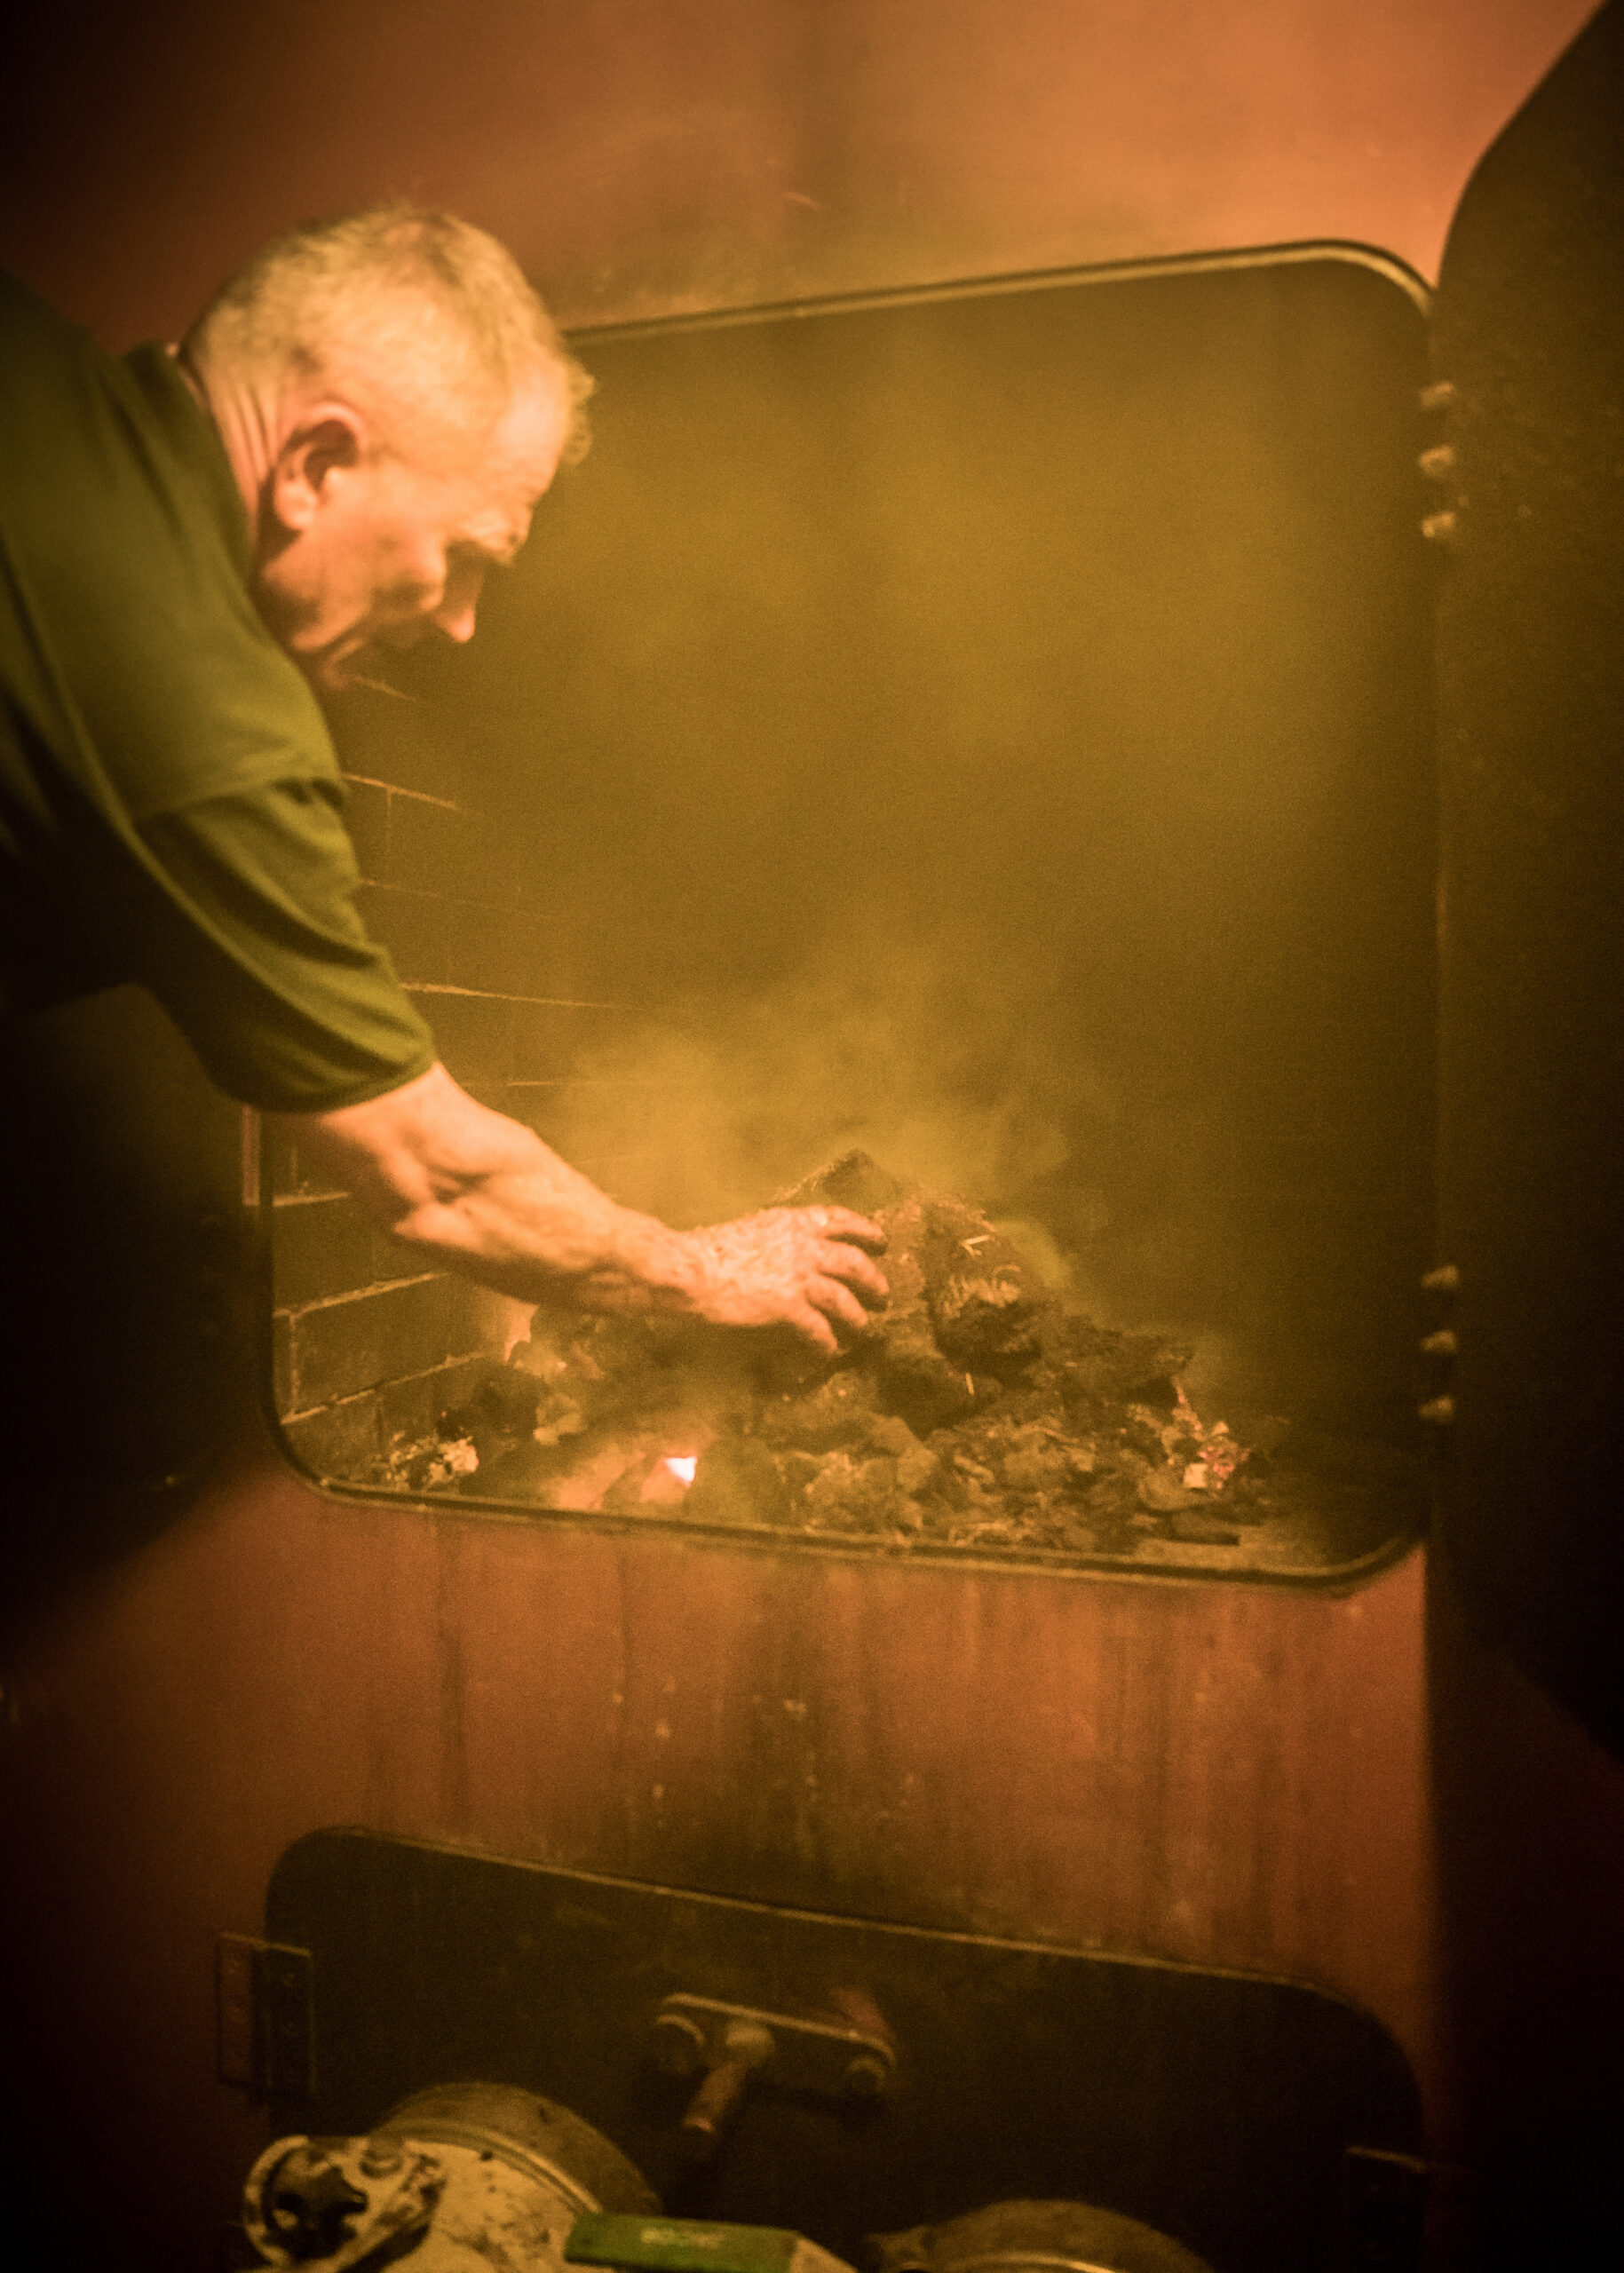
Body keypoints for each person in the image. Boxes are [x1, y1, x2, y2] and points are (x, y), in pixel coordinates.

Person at [0, 206, 885, 1353]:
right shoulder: (209, 714)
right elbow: (433, 1181)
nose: (460, 624)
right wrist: (701, 1270)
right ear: (314, 464)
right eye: (465, 556)